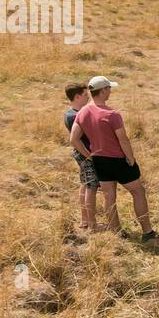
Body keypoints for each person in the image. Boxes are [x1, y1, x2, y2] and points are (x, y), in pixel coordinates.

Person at [70, 76, 159, 241]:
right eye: (109, 88)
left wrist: (89, 156)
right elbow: (123, 139)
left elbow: (73, 139)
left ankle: (117, 232)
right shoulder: (112, 114)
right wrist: (131, 158)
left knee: (109, 196)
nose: (110, 91)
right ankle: (147, 232)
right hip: (118, 160)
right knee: (138, 192)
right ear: (103, 90)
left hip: (99, 160)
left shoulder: (82, 112)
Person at [63, 82, 98, 231]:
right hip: (85, 153)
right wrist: (89, 156)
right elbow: (76, 139)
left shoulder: (69, 113)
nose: (88, 98)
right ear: (77, 97)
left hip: (81, 152)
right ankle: (92, 224)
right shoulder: (75, 116)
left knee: (84, 184)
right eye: (85, 95)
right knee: (91, 186)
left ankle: (85, 220)